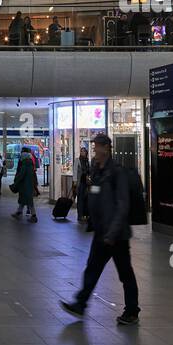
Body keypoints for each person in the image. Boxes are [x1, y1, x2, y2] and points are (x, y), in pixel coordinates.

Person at [62, 133, 139, 325]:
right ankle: (80, 304)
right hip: (101, 232)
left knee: (125, 273)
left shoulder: (116, 172)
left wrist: (112, 233)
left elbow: (122, 204)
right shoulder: (97, 170)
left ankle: (132, 311)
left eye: (96, 146)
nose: (94, 149)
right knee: (92, 269)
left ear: (106, 148)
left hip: (116, 235)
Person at [10, 146, 38, 221]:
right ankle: (19, 212)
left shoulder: (25, 164)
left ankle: (34, 216)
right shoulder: (30, 163)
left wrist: (15, 182)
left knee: (29, 201)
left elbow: (21, 175)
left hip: (25, 186)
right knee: (23, 200)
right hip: (29, 185)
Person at [74, 148, 91, 221]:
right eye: (81, 151)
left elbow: (89, 171)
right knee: (80, 199)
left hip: (86, 183)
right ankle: (79, 215)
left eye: (83, 151)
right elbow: (75, 171)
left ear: (86, 153)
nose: (82, 152)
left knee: (86, 199)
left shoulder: (87, 161)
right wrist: (74, 181)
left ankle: (85, 215)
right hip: (80, 183)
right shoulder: (77, 160)